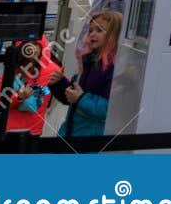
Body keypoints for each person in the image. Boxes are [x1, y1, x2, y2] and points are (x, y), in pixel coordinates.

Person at [49, 10, 120, 138]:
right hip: (72, 133)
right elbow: (72, 97)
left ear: (114, 35)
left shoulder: (114, 69)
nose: (92, 34)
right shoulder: (89, 62)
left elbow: (109, 109)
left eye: (99, 30)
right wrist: (59, 83)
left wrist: (81, 98)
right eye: (91, 30)